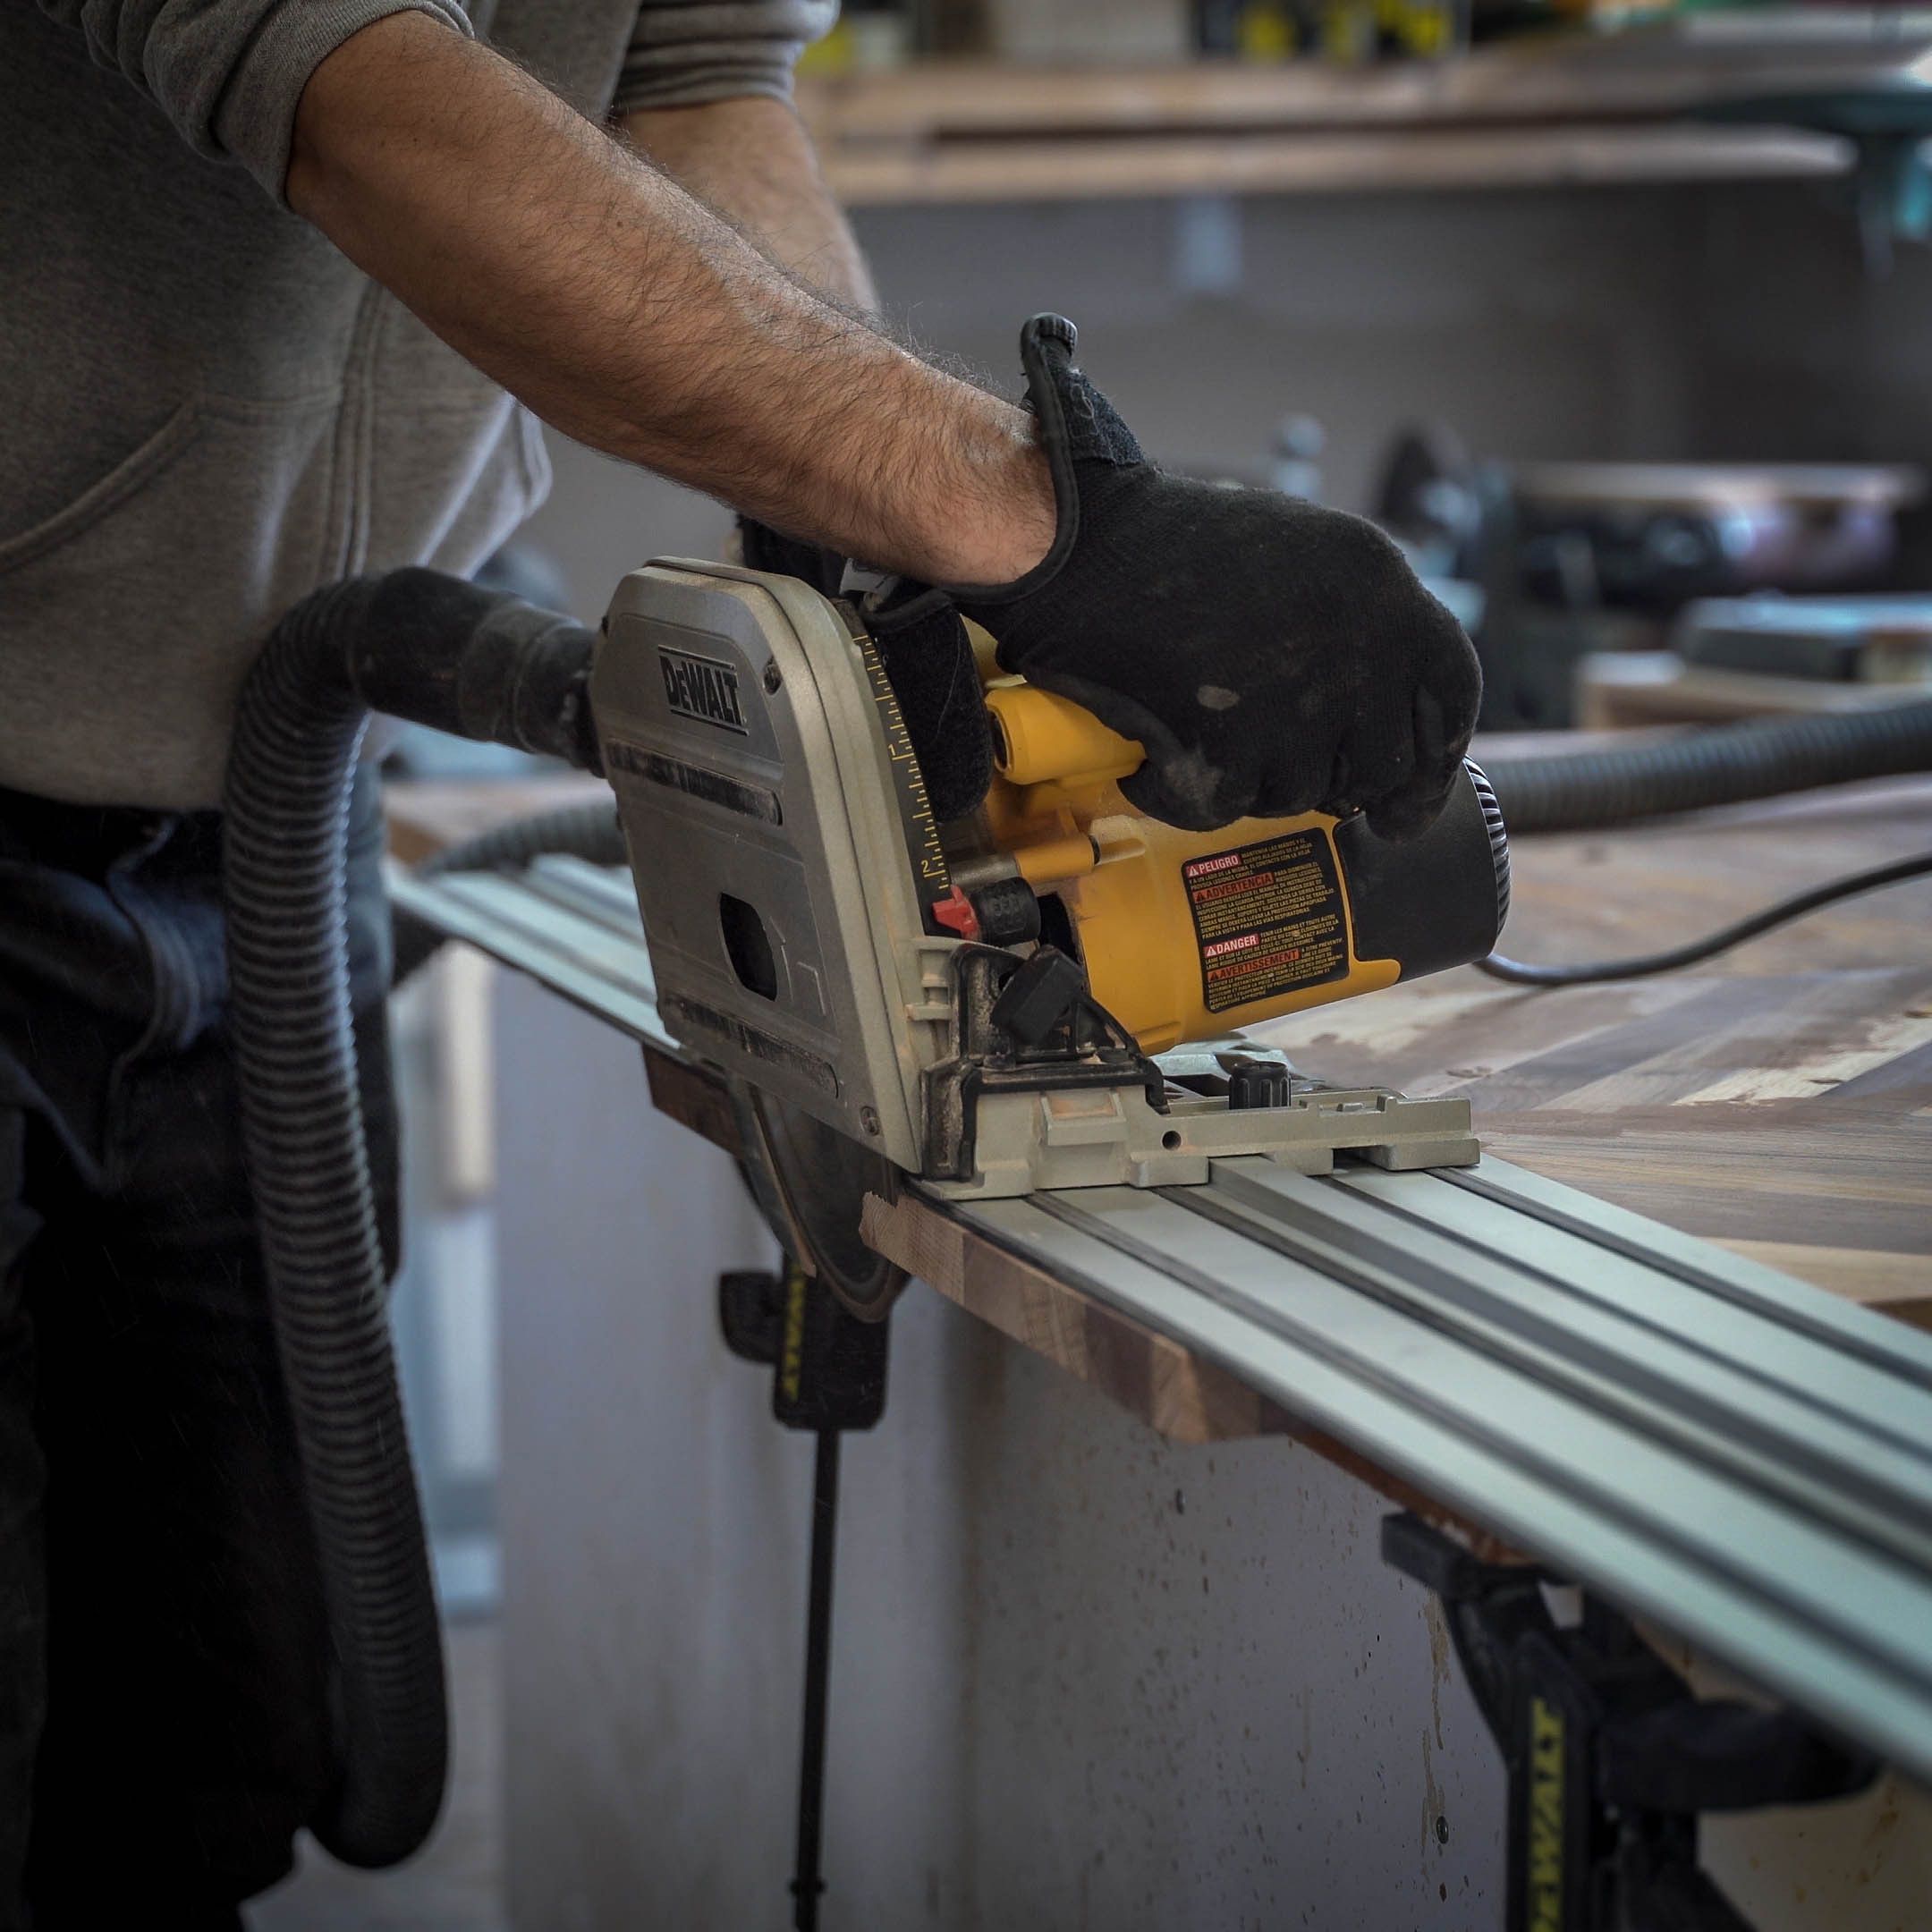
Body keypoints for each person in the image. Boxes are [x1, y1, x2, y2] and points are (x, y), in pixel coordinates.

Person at [0, 4, 1481, 1922]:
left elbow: (695, 76)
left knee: (209, 1731)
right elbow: (349, 87)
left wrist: (874, 569)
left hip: (269, 787)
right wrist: (1039, 523)